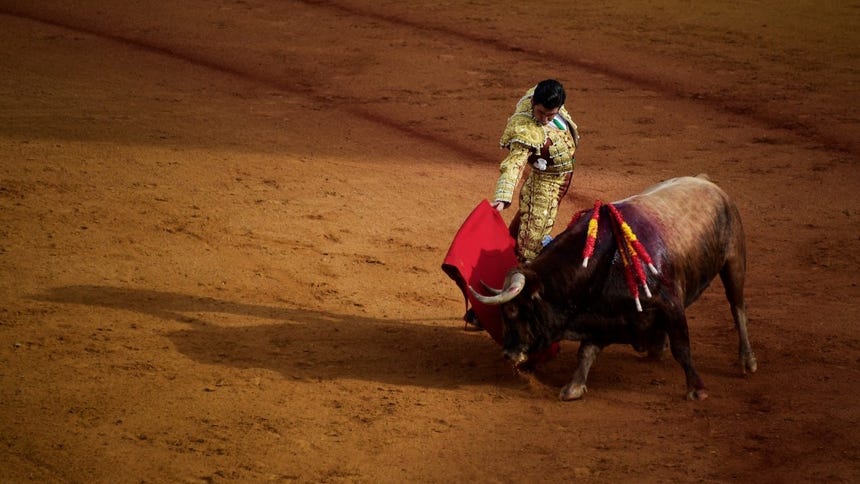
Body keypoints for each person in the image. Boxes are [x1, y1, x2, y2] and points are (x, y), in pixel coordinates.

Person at [490, 79, 580, 262]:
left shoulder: (546, 96)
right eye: (540, 112)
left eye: (551, 115)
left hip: (560, 175)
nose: (544, 119)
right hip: (544, 185)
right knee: (530, 248)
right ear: (533, 103)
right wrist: (503, 197)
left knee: (523, 228)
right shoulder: (524, 129)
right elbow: (515, 163)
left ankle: (504, 263)